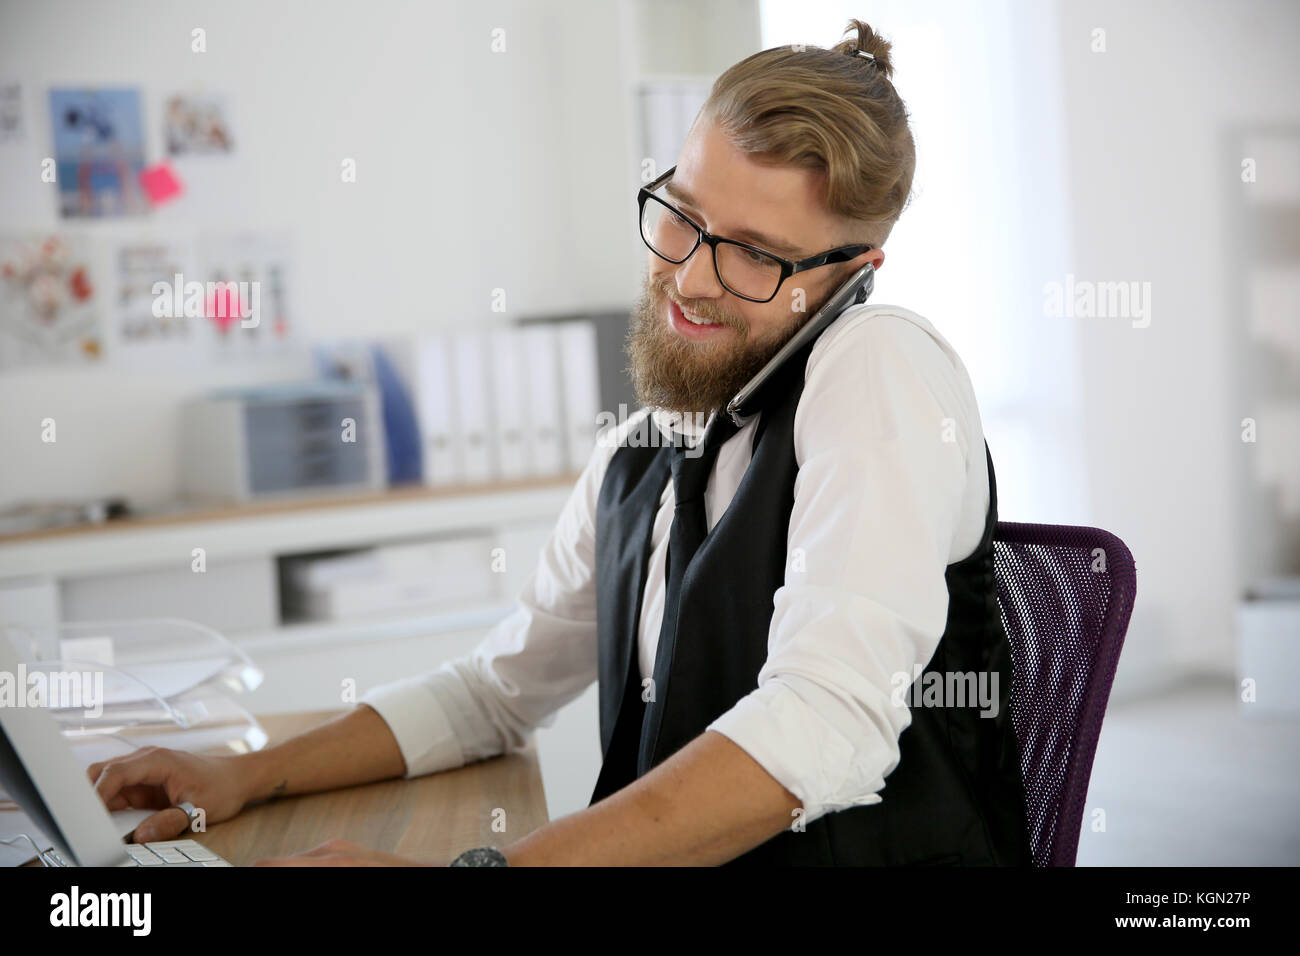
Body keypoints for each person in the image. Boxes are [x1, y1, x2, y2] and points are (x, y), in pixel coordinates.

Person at [88, 19, 1031, 867]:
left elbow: (823, 719)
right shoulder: (643, 452)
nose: (689, 278)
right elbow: (493, 694)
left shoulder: (879, 366)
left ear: (852, 273)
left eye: (753, 252)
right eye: (684, 214)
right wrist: (245, 777)